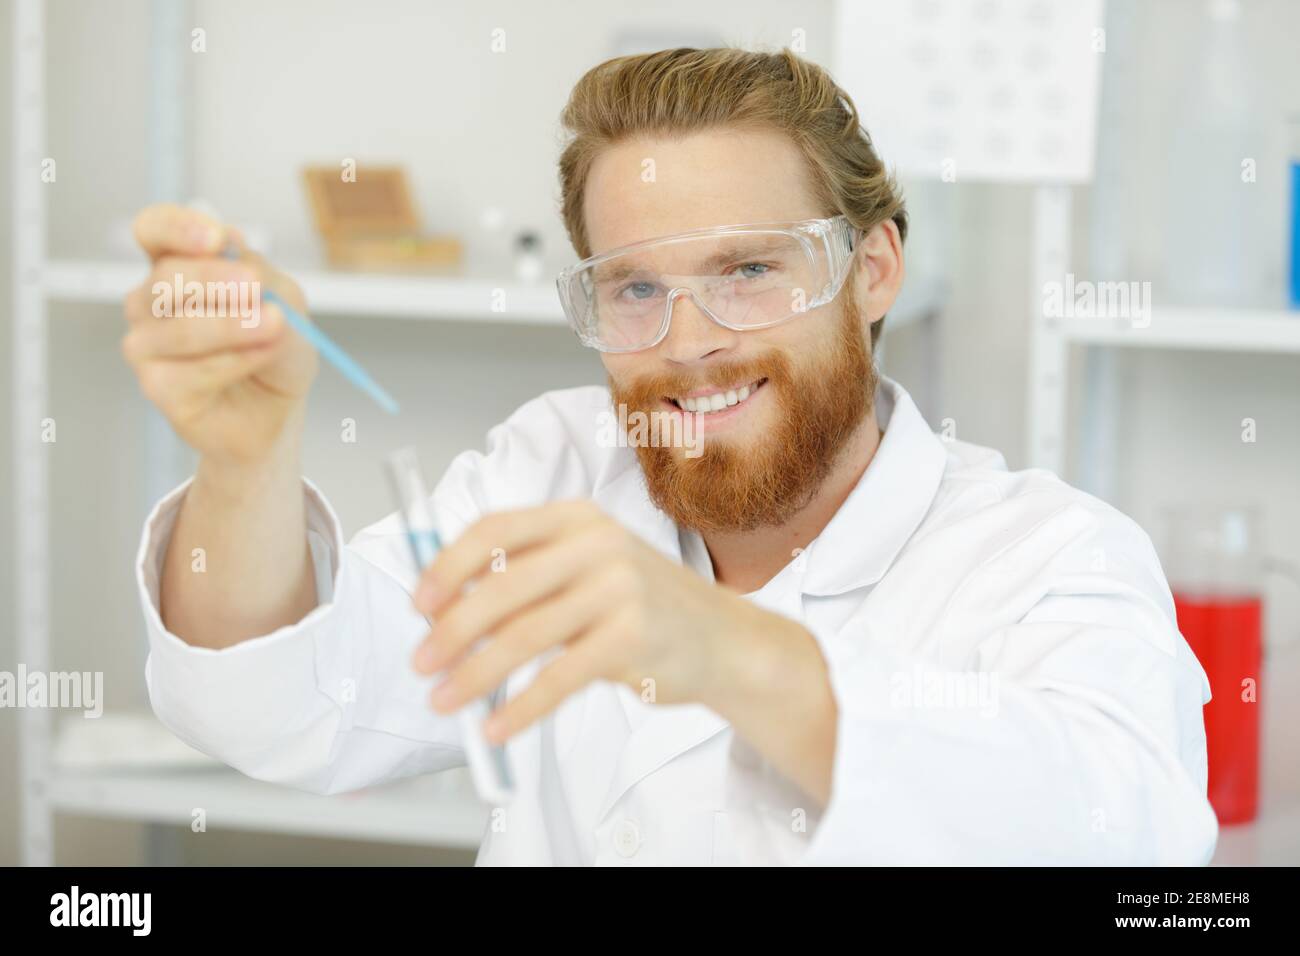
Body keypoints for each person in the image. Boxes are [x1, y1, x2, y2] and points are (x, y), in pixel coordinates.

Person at [121, 47, 1217, 865]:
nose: (689, 341)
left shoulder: (1042, 556)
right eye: (636, 287)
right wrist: (245, 462)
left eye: (748, 269)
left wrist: (727, 652)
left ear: (874, 269)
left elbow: (1133, 838)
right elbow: (290, 702)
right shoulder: (557, 467)